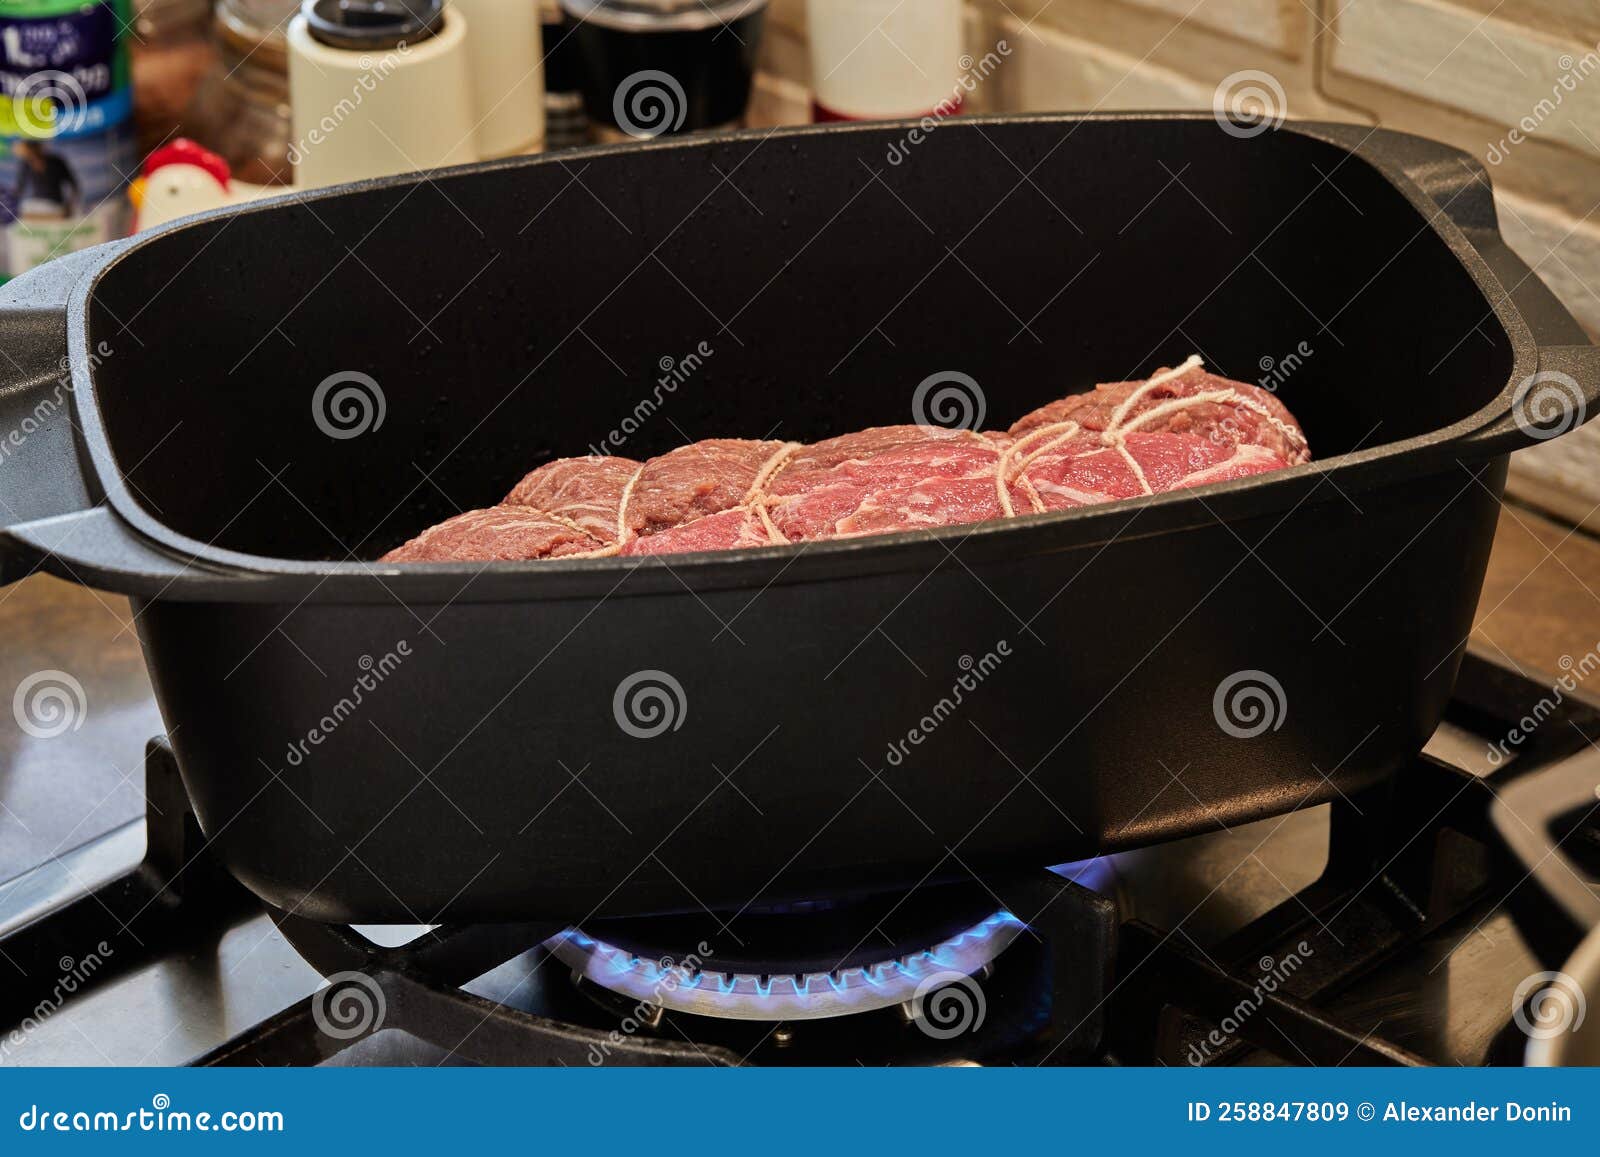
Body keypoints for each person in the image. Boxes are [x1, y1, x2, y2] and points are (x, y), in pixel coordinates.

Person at [10, 139, 80, 219]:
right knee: (22, 210)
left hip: (55, 204)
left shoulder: (56, 162)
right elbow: (19, 188)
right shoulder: (25, 164)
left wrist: (69, 205)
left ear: (38, 147)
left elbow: (74, 185)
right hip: (35, 204)